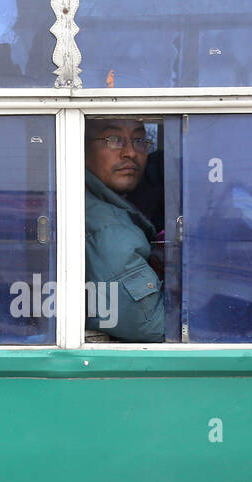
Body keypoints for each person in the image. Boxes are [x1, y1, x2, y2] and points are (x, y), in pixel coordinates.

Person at [84, 117, 164, 342]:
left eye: (139, 139)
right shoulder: (110, 230)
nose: (130, 152)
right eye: (114, 139)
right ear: (80, 147)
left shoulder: (107, 205)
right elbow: (151, 324)